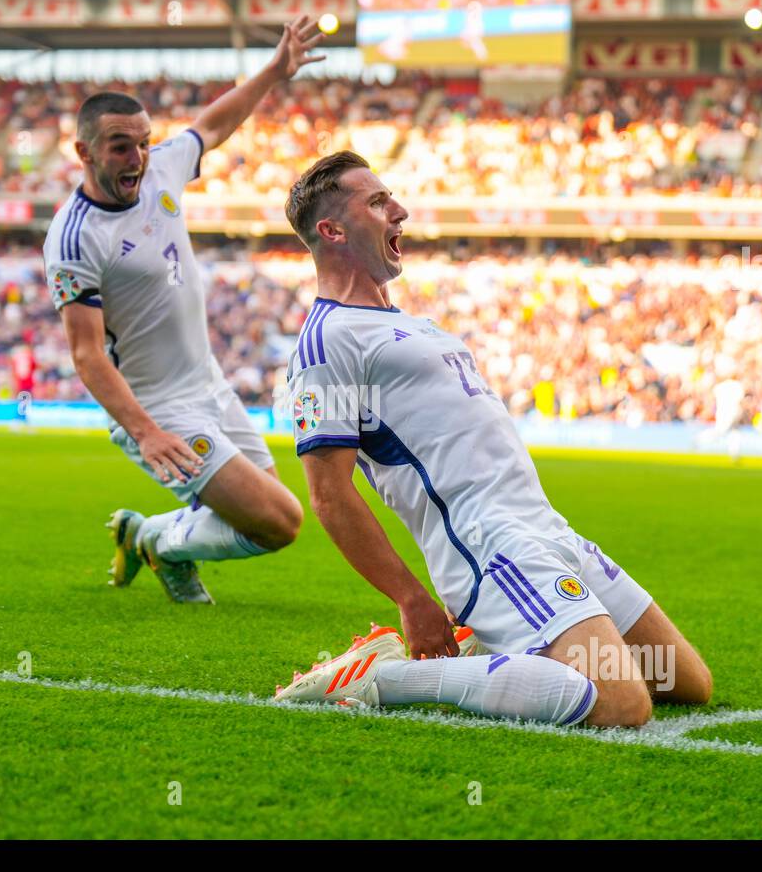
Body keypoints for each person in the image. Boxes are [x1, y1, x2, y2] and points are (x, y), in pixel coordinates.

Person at [274, 152, 712, 726]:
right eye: (378, 202)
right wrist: (411, 599)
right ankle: (381, 677)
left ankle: (497, 647)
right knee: (620, 704)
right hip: (490, 546)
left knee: (683, 681)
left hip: (547, 529)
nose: (399, 211)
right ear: (332, 230)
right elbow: (330, 495)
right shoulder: (327, 342)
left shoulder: (410, 322)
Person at [42, 17, 326, 602]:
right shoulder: (74, 239)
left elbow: (213, 124)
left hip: (209, 387)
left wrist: (275, 70)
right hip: (159, 409)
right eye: (121, 145)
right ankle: (159, 541)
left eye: (144, 141)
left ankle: (152, 539)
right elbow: (87, 355)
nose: (139, 157)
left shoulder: (162, 169)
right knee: (281, 520)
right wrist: (144, 432)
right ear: (83, 152)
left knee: (262, 521)